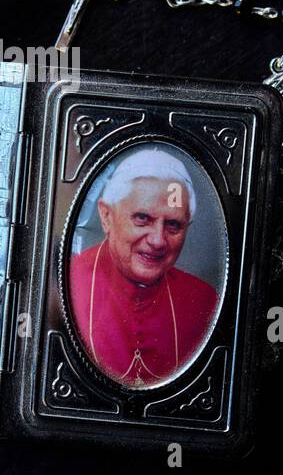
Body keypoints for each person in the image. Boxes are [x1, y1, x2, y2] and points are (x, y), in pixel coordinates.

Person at [68, 148, 219, 388]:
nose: (158, 240)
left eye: (173, 225)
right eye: (142, 218)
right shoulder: (67, 283)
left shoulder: (204, 302)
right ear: (106, 216)